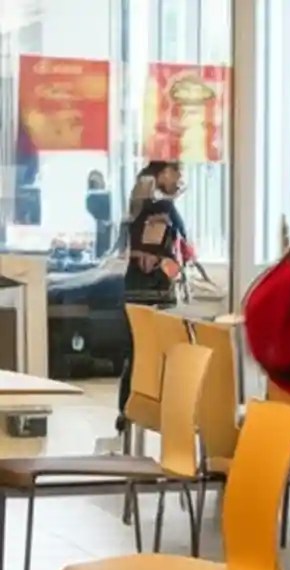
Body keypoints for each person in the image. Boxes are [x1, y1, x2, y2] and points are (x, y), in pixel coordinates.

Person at [116, 161, 188, 432]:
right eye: (176, 174)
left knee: (134, 352)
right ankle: (162, 413)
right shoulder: (162, 209)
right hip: (155, 288)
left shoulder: (135, 206)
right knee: (162, 353)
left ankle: (127, 409)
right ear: (164, 173)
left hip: (135, 287)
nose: (179, 181)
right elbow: (179, 238)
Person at [85, 170, 112, 258]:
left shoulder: (109, 197)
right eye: (93, 182)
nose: (95, 184)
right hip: (96, 233)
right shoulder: (90, 197)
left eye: (97, 182)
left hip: (107, 232)